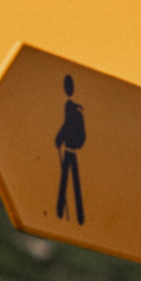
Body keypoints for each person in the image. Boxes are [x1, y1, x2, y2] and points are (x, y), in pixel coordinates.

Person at [55, 73, 85, 224]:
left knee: (67, 180)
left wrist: (59, 138)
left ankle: (65, 213)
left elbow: (66, 125)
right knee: (71, 180)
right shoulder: (75, 109)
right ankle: (72, 214)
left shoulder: (72, 110)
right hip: (71, 149)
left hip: (69, 149)